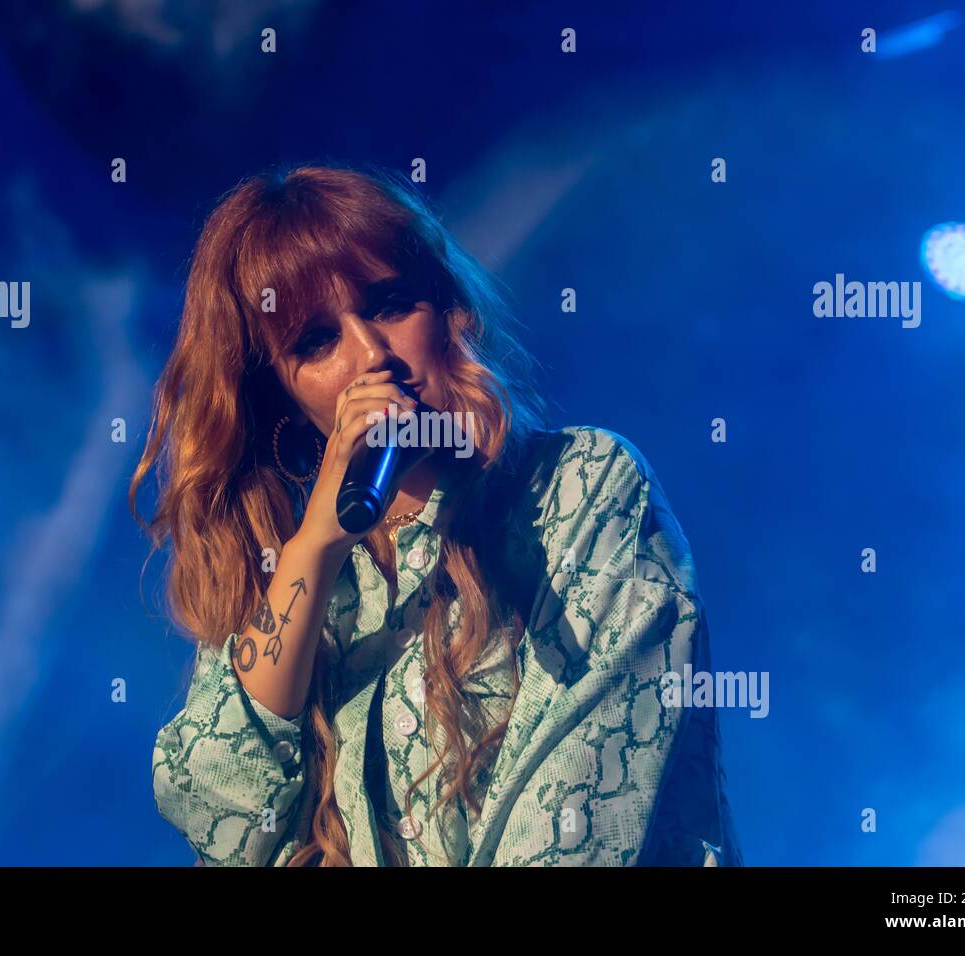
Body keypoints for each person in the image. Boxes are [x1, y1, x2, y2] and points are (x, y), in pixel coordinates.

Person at [132, 162, 741, 866]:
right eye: (316, 342)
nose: (370, 357)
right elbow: (214, 808)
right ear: (279, 398)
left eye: (389, 305)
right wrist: (317, 544)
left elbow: (575, 829)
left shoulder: (579, 488)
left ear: (445, 310)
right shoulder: (293, 581)